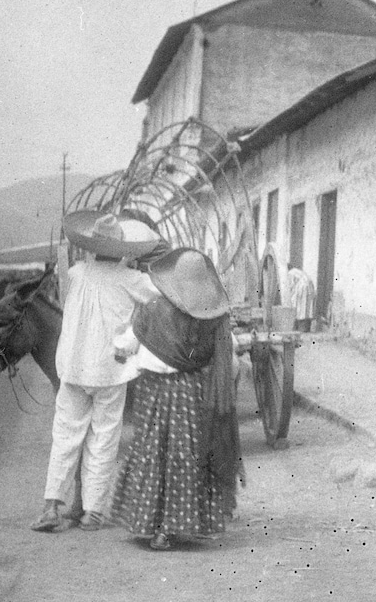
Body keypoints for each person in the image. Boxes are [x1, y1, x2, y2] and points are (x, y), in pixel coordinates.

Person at [31, 210, 161, 534]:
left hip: (73, 368)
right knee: (104, 438)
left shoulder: (75, 273)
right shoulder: (132, 280)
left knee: (65, 437)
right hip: (110, 370)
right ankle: (93, 512)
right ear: (121, 251)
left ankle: (51, 507)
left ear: (91, 248)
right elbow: (159, 299)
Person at [112, 248, 243, 551]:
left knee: (151, 451)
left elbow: (127, 344)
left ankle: (152, 524)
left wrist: (120, 351)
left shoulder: (153, 309)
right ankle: (187, 524)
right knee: (187, 455)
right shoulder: (214, 320)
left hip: (153, 393)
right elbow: (231, 362)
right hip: (191, 395)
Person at [285, 262, 316, 332]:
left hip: (302, 287)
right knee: (308, 307)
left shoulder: (289, 273)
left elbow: (289, 287)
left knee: (299, 307)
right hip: (310, 285)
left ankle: (301, 328)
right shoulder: (297, 271)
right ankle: (306, 327)